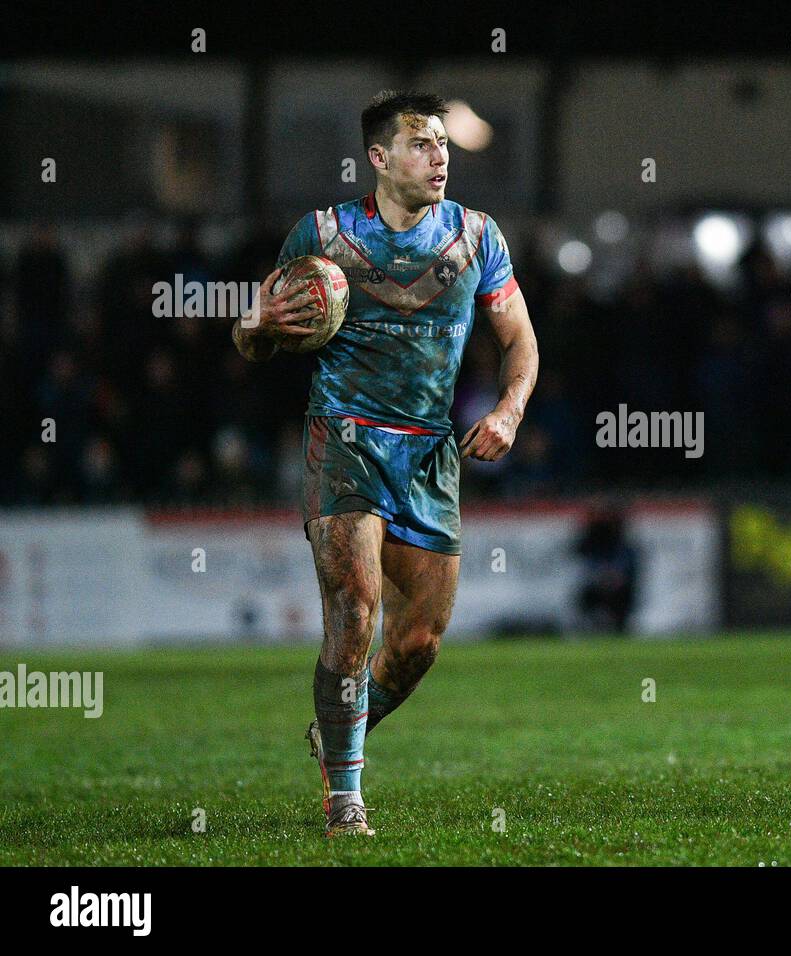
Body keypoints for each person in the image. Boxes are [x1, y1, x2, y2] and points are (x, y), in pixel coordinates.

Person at [231, 91, 539, 837]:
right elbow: (253, 338)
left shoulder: (476, 236)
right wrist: (257, 322)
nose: (439, 156)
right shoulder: (324, 234)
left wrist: (507, 411)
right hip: (346, 437)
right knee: (355, 609)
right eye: (421, 144)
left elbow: (521, 340)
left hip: (430, 450)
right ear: (378, 158)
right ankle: (346, 801)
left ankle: (341, 730)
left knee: (419, 643)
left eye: (442, 144)